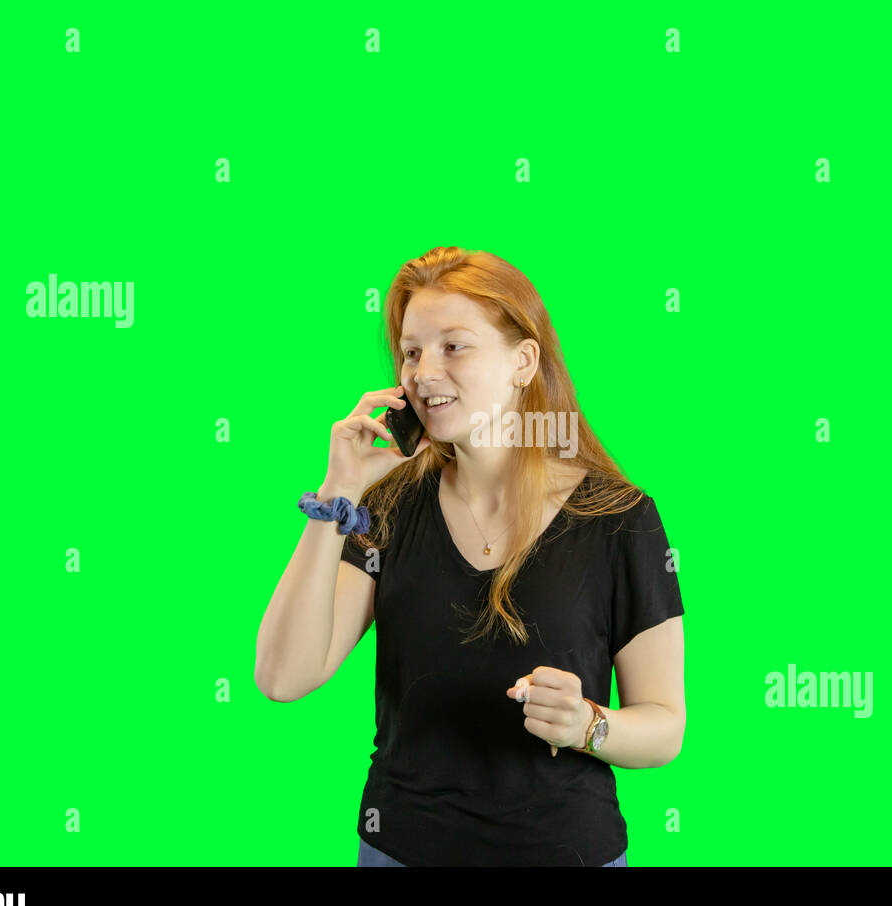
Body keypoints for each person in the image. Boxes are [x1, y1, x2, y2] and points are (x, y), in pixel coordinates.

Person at [255, 247, 685, 866]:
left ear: (522, 361)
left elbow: (665, 725)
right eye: (411, 351)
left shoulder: (620, 519)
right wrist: (337, 494)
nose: (423, 373)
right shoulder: (387, 508)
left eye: (454, 346)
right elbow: (282, 676)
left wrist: (588, 724)